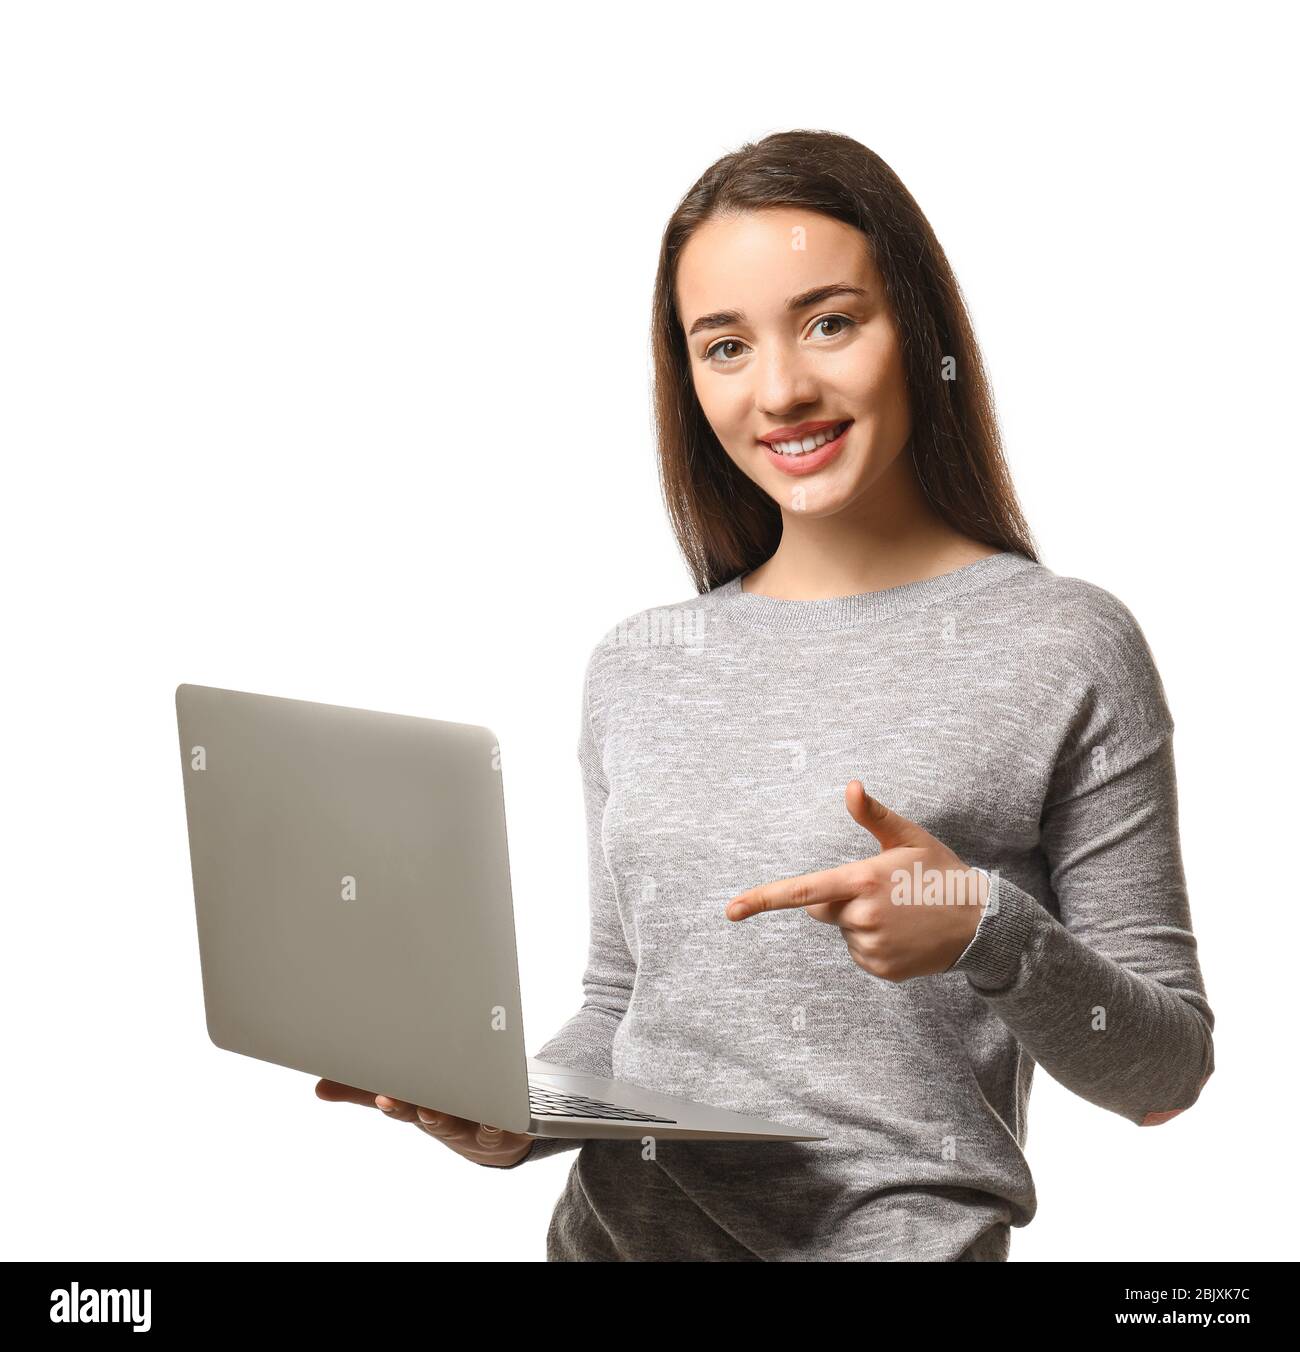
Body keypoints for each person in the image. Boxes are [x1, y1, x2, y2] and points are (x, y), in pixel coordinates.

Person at [317, 129, 1215, 1261]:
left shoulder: (1065, 641)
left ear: (918, 332)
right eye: (724, 345)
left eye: (830, 321)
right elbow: (623, 1004)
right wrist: (516, 1112)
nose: (782, 388)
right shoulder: (639, 663)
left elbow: (1165, 1073)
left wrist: (987, 924)